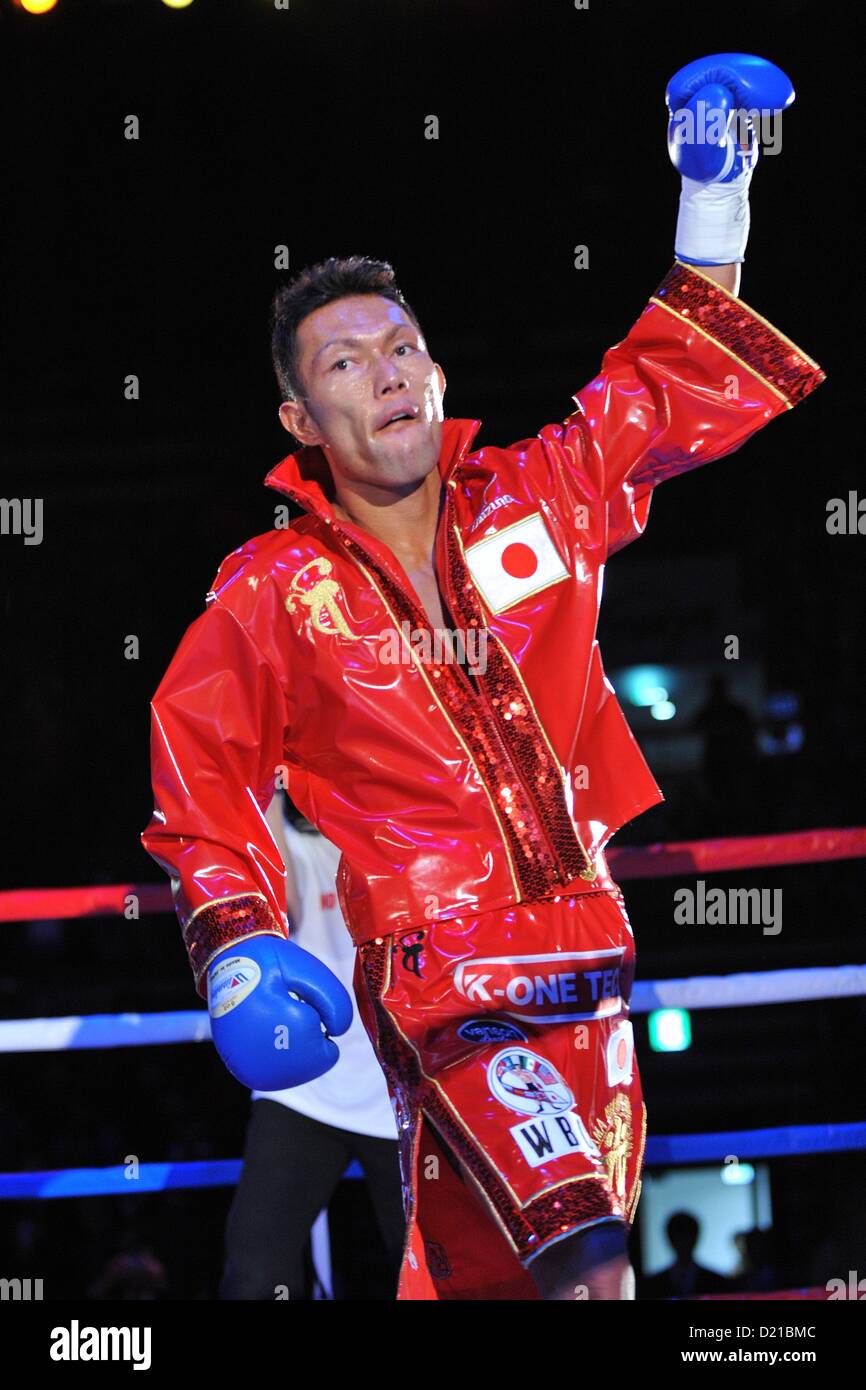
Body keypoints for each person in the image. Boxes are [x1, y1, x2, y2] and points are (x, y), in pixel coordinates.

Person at [141, 53, 824, 1299]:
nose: (385, 370)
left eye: (400, 347)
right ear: (299, 420)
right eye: (344, 363)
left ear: (437, 375)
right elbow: (200, 786)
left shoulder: (539, 498)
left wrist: (711, 193)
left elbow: (663, 387)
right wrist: (237, 943)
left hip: (590, 956)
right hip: (444, 983)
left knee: (481, 1281)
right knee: (589, 1261)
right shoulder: (272, 592)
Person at [219, 794, 404, 1300]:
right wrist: (269, 783)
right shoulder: (294, 849)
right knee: (255, 1272)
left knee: (433, 1272)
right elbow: (281, 899)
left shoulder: (405, 839)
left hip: (405, 1094)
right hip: (305, 1091)